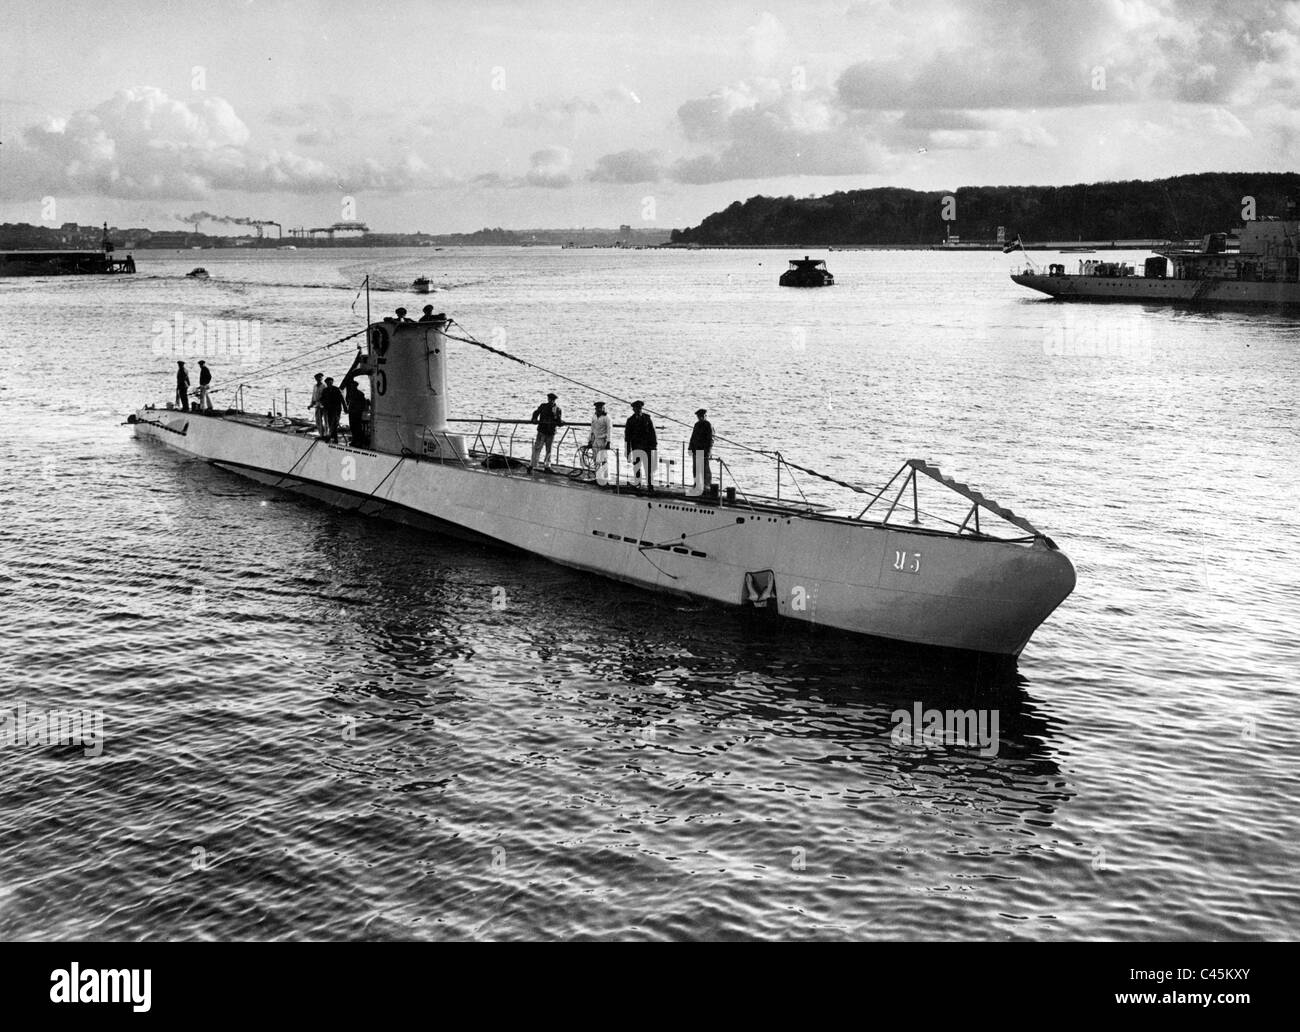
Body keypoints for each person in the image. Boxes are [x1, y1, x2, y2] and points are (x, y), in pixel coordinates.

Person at [624, 400, 657, 491]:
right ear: (633, 409)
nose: (638, 410)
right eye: (636, 408)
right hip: (636, 447)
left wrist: (654, 446)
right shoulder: (630, 421)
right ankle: (638, 484)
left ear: (641, 409)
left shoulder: (647, 418)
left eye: (639, 408)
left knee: (648, 467)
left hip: (647, 447)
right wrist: (627, 451)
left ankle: (650, 485)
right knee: (637, 466)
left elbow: (653, 433)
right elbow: (627, 437)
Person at [529, 392, 562, 472]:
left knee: (548, 450)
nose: (551, 401)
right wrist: (534, 419)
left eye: (553, 400)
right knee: (537, 448)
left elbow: (558, 421)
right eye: (550, 399)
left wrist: (559, 420)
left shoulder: (557, 409)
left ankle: (547, 466)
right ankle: (532, 465)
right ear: (548, 399)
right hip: (542, 431)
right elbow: (536, 413)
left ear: (554, 400)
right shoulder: (543, 406)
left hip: (551, 432)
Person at [689, 407, 714, 490]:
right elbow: (692, 437)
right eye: (699, 416)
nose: (700, 418)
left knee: (705, 468)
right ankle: (697, 483)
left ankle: (707, 485)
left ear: (705, 416)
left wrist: (708, 451)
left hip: (704, 450)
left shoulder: (708, 425)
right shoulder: (697, 425)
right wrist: (690, 448)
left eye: (701, 416)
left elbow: (710, 440)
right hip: (696, 450)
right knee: (696, 468)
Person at [588, 400, 612, 481]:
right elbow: (592, 429)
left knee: (604, 459)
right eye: (597, 408)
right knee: (595, 459)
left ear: (603, 408)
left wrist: (608, 442)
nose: (599, 409)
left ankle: (605, 477)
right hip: (595, 440)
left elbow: (609, 430)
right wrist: (590, 440)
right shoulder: (594, 416)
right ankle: (597, 476)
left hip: (603, 440)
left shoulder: (607, 418)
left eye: (600, 408)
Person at [320, 377, 346, 443]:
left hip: (337, 409)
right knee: (330, 423)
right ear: (326, 383)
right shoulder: (325, 390)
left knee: (335, 423)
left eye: (330, 382)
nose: (329, 384)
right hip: (329, 409)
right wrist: (323, 404)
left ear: (332, 382)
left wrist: (345, 407)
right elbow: (322, 399)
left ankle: (333, 437)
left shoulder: (336, 389)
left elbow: (342, 399)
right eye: (328, 383)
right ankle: (333, 437)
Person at [345, 379, 369, 447]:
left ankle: (359, 441)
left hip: (357, 413)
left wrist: (359, 410)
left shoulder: (360, 394)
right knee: (352, 427)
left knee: (357, 427)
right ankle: (355, 440)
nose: (352, 387)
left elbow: (363, 404)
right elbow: (348, 402)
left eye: (353, 385)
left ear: (356, 386)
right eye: (351, 385)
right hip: (351, 412)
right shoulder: (350, 393)